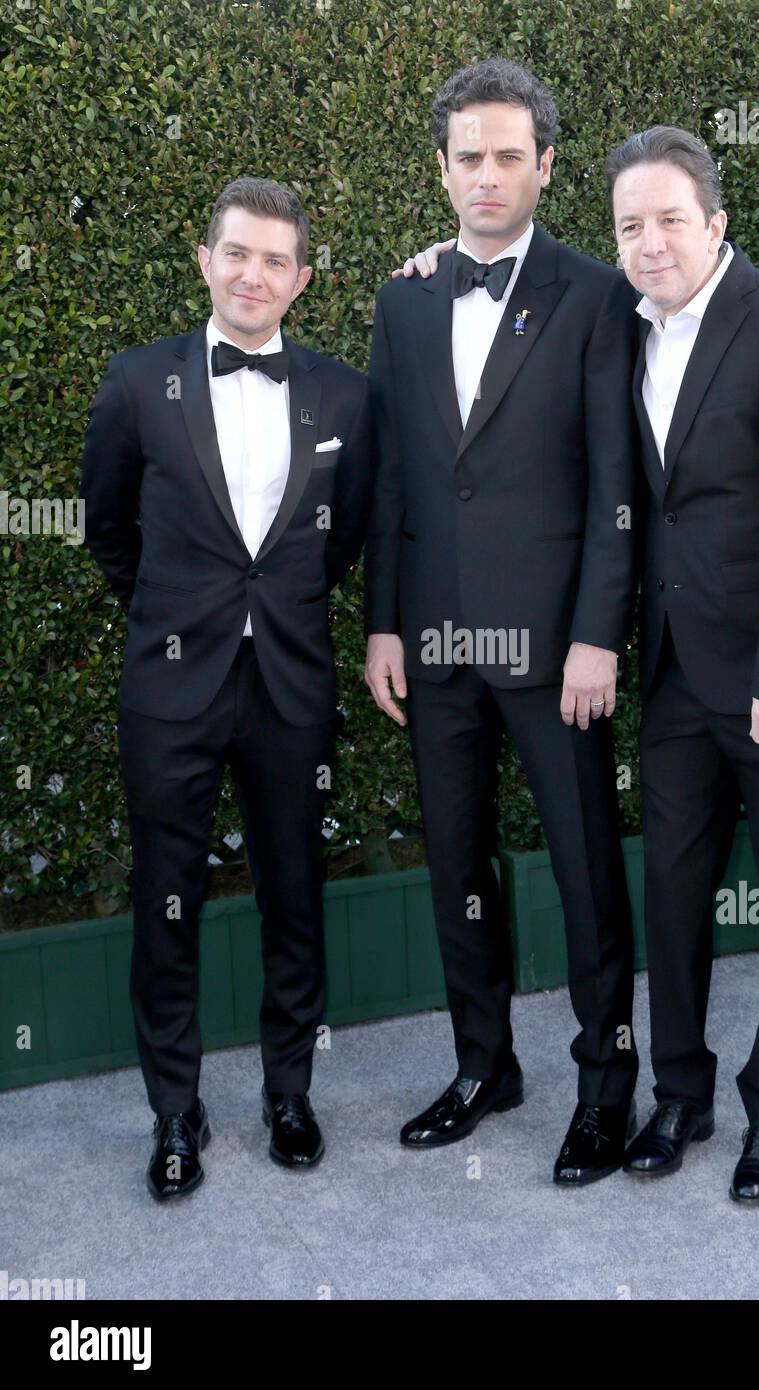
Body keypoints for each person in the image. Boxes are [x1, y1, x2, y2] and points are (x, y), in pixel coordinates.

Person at [363, 58, 640, 1185]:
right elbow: (390, 480)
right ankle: (485, 1066)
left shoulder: (596, 293)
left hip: (553, 645)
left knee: (583, 868)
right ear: (441, 168)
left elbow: (619, 480)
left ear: (544, 167)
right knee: (454, 862)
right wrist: (381, 622)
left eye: (507, 156)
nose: (486, 175)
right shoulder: (403, 296)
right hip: (431, 642)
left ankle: (604, 1088)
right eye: (466, 156)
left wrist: (596, 632)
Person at [80, 176, 375, 1201]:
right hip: (171, 690)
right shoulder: (134, 383)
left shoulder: (342, 395)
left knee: (296, 891)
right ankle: (174, 1109)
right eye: (236, 253)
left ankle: (288, 1089)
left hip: (289, 685)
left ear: (299, 278)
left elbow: (348, 537)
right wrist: (175, 617)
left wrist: (273, 611)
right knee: (167, 902)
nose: (253, 274)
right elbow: (109, 530)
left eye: (275, 260)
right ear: (205, 260)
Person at [608, 127, 759, 1204]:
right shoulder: (623, 333)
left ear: (715, 222)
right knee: (670, 894)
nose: (649, 241)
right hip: (669, 677)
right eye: (629, 224)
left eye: (669, 218)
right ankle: (679, 1093)